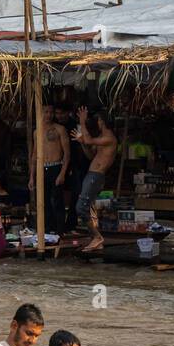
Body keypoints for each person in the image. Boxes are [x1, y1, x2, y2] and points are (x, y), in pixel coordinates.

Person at [70, 107, 117, 253]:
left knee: (81, 208)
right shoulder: (101, 139)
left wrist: (82, 122)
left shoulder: (110, 138)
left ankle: (97, 237)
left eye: (97, 121)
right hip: (91, 175)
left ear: (102, 122)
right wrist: (82, 142)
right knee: (86, 208)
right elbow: (90, 155)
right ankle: (96, 239)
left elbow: (89, 140)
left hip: (96, 177)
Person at [39, 104, 70, 235]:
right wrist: (31, 176)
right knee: (43, 201)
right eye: (46, 112)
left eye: (51, 112)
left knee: (57, 200)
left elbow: (67, 154)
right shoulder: (37, 131)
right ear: (40, 113)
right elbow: (34, 154)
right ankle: (47, 229)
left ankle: (59, 230)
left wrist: (62, 173)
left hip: (56, 166)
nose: (49, 115)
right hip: (42, 167)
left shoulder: (60, 129)